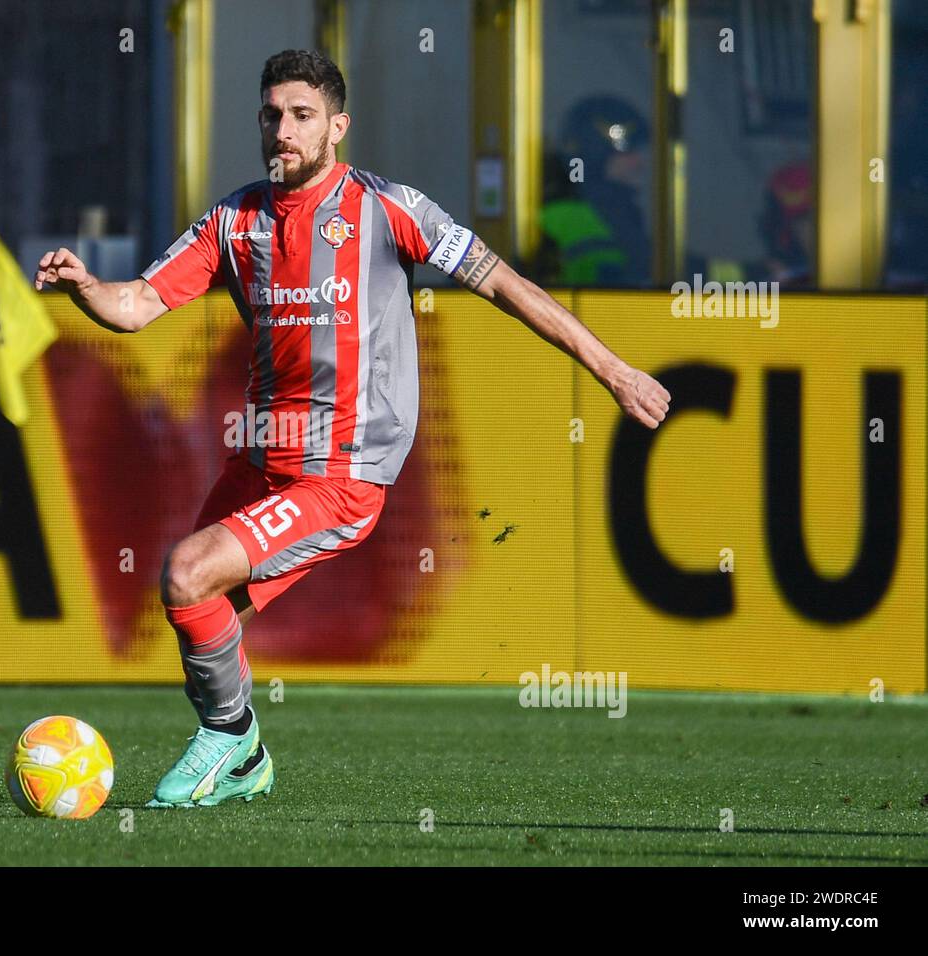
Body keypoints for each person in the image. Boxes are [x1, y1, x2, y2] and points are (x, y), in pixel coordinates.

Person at [35, 50, 670, 808]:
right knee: (201, 610)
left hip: (341, 475)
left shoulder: (386, 208)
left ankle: (231, 741)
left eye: (302, 115)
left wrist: (614, 370)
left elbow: (505, 284)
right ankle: (242, 754)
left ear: (338, 125)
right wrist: (86, 288)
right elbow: (135, 306)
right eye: (271, 115)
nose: (283, 130)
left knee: (186, 573)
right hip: (263, 461)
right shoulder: (236, 220)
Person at [537, 96, 652, 287]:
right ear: (595, 155)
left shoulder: (611, 210)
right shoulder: (575, 217)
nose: (640, 163)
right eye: (628, 152)